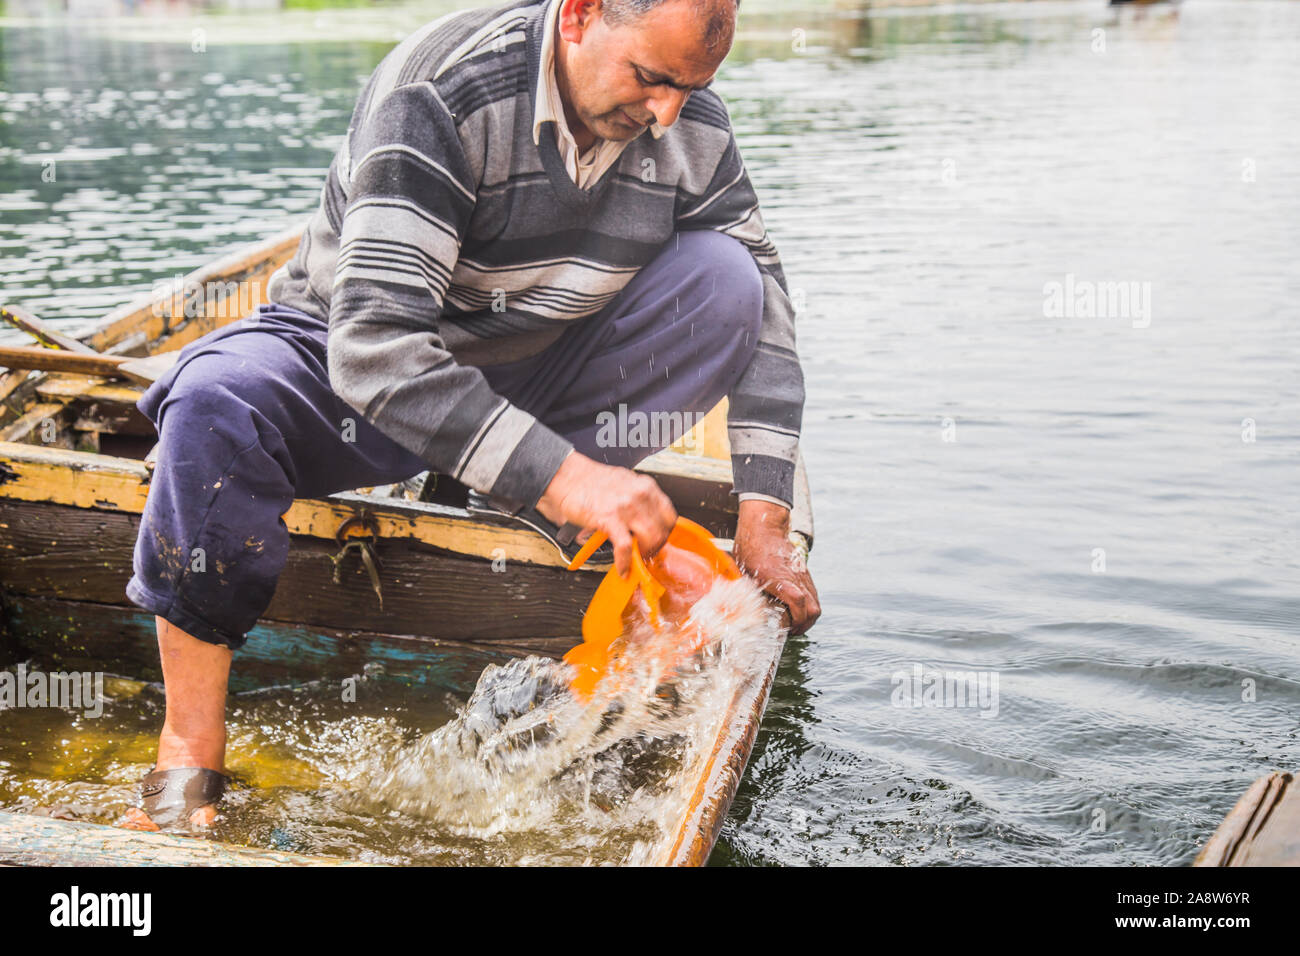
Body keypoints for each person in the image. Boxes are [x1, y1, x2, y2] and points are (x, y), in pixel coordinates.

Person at [120, 0, 820, 832]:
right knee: (211, 403)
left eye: (692, 86)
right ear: (581, 16)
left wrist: (765, 512)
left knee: (730, 279)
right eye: (651, 77)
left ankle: (505, 491)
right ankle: (188, 748)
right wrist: (570, 479)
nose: (668, 111)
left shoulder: (686, 116)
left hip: (538, 368)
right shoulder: (442, 94)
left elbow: (767, 296)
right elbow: (376, 348)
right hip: (353, 375)